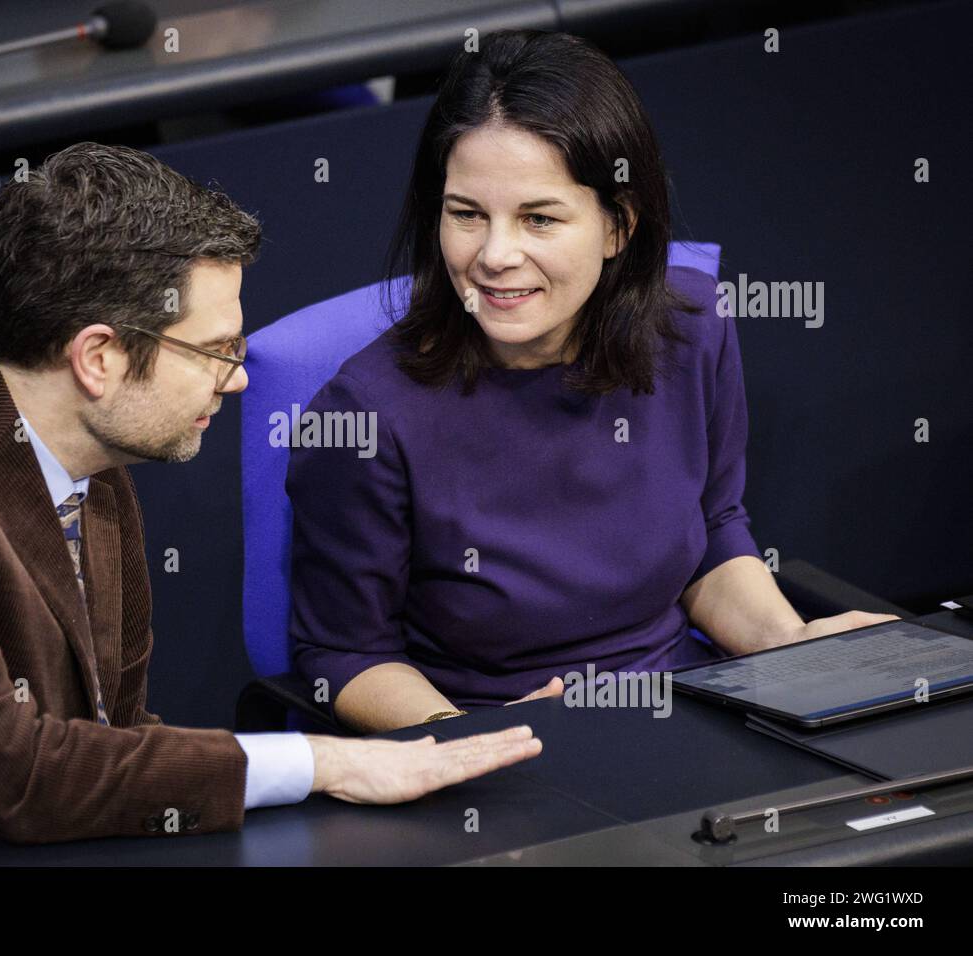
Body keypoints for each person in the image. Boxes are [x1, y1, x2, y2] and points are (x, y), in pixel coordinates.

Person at [0, 143, 543, 866]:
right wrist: (322, 762)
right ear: (97, 357)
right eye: (214, 351)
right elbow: (13, 770)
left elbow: (111, 734)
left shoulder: (93, 458)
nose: (239, 380)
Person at [286, 30, 897, 734]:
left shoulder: (693, 326)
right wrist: (470, 740)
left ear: (618, 227)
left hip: (688, 714)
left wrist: (791, 654)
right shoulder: (365, 416)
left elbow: (714, 535)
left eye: (539, 219)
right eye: (466, 215)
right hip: (494, 740)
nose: (495, 256)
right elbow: (343, 654)